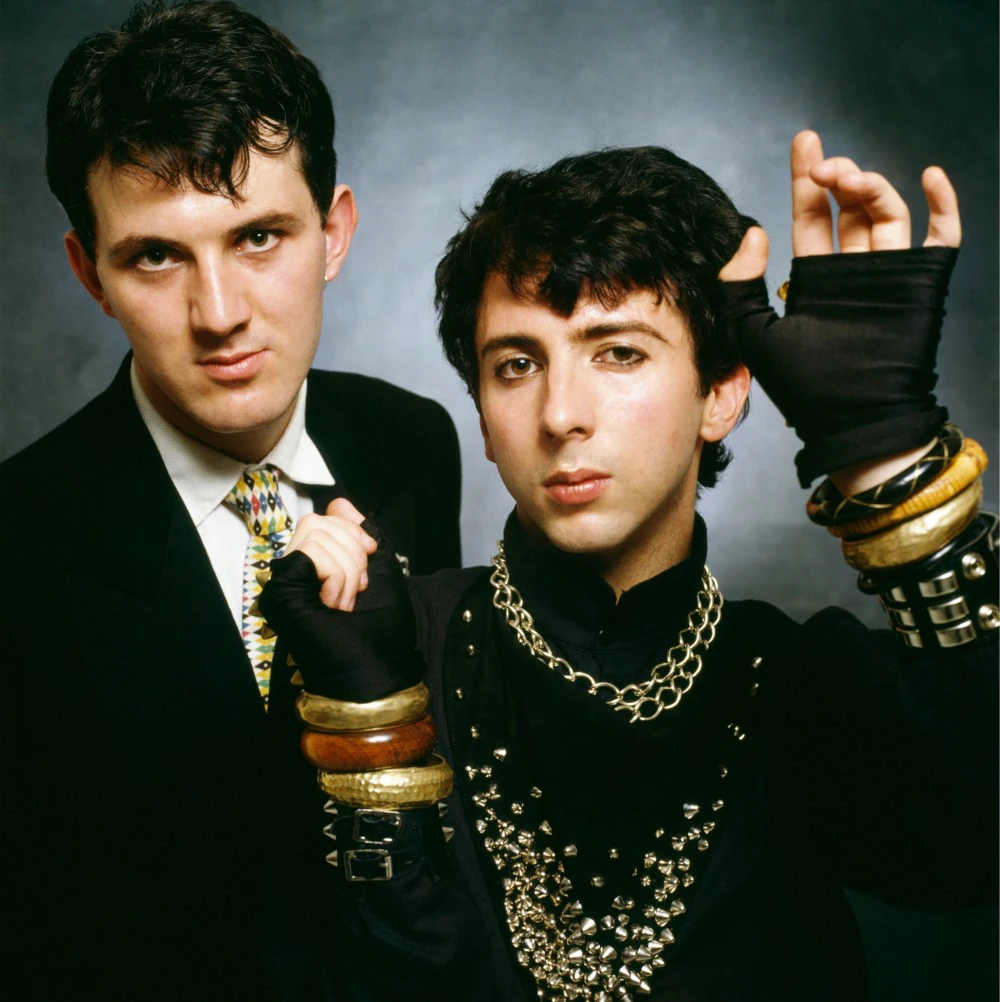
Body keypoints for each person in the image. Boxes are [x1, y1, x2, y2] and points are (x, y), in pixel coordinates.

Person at [258, 132, 998, 1001]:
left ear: (721, 392)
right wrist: (372, 729)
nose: (561, 413)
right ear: (485, 418)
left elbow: (970, 845)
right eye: (517, 364)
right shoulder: (381, 652)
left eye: (619, 352)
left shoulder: (796, 682)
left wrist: (883, 454)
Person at [2, 2, 461, 999]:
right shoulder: (18, 544)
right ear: (90, 274)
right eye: (156, 255)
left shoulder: (413, 441)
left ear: (333, 233)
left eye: (258, 236)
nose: (219, 315)